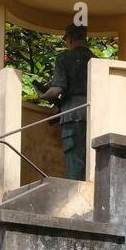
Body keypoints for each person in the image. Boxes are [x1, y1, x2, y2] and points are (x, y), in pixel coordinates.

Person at [40, 23, 93, 180]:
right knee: (91, 158)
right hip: (94, 114)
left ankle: (73, 197)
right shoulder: (96, 60)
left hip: (72, 114)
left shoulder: (64, 58)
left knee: (74, 159)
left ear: (69, 39)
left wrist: (43, 95)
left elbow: (57, 89)